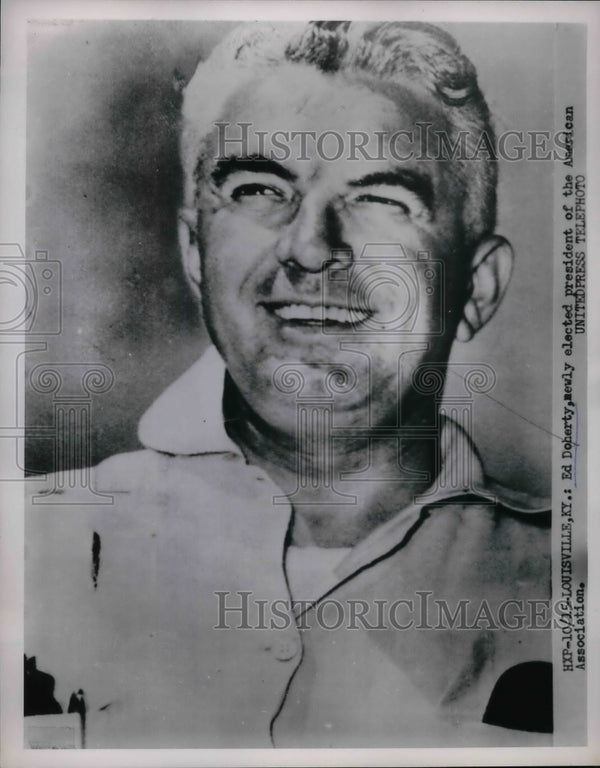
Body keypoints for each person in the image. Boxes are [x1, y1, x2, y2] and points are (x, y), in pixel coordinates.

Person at [25, 21, 551, 748]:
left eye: (382, 200)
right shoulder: (22, 549)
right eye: (259, 188)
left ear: (478, 287)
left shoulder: (567, 583)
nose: (311, 247)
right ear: (194, 253)